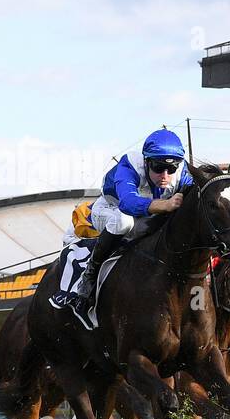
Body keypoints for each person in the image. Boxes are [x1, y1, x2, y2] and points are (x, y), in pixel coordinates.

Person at [62, 128, 194, 315]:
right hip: (109, 210)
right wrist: (165, 205)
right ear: (146, 161)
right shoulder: (130, 164)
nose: (165, 175)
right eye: (158, 167)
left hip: (146, 216)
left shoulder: (182, 171)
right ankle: (90, 274)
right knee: (124, 222)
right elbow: (128, 203)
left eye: (171, 169)